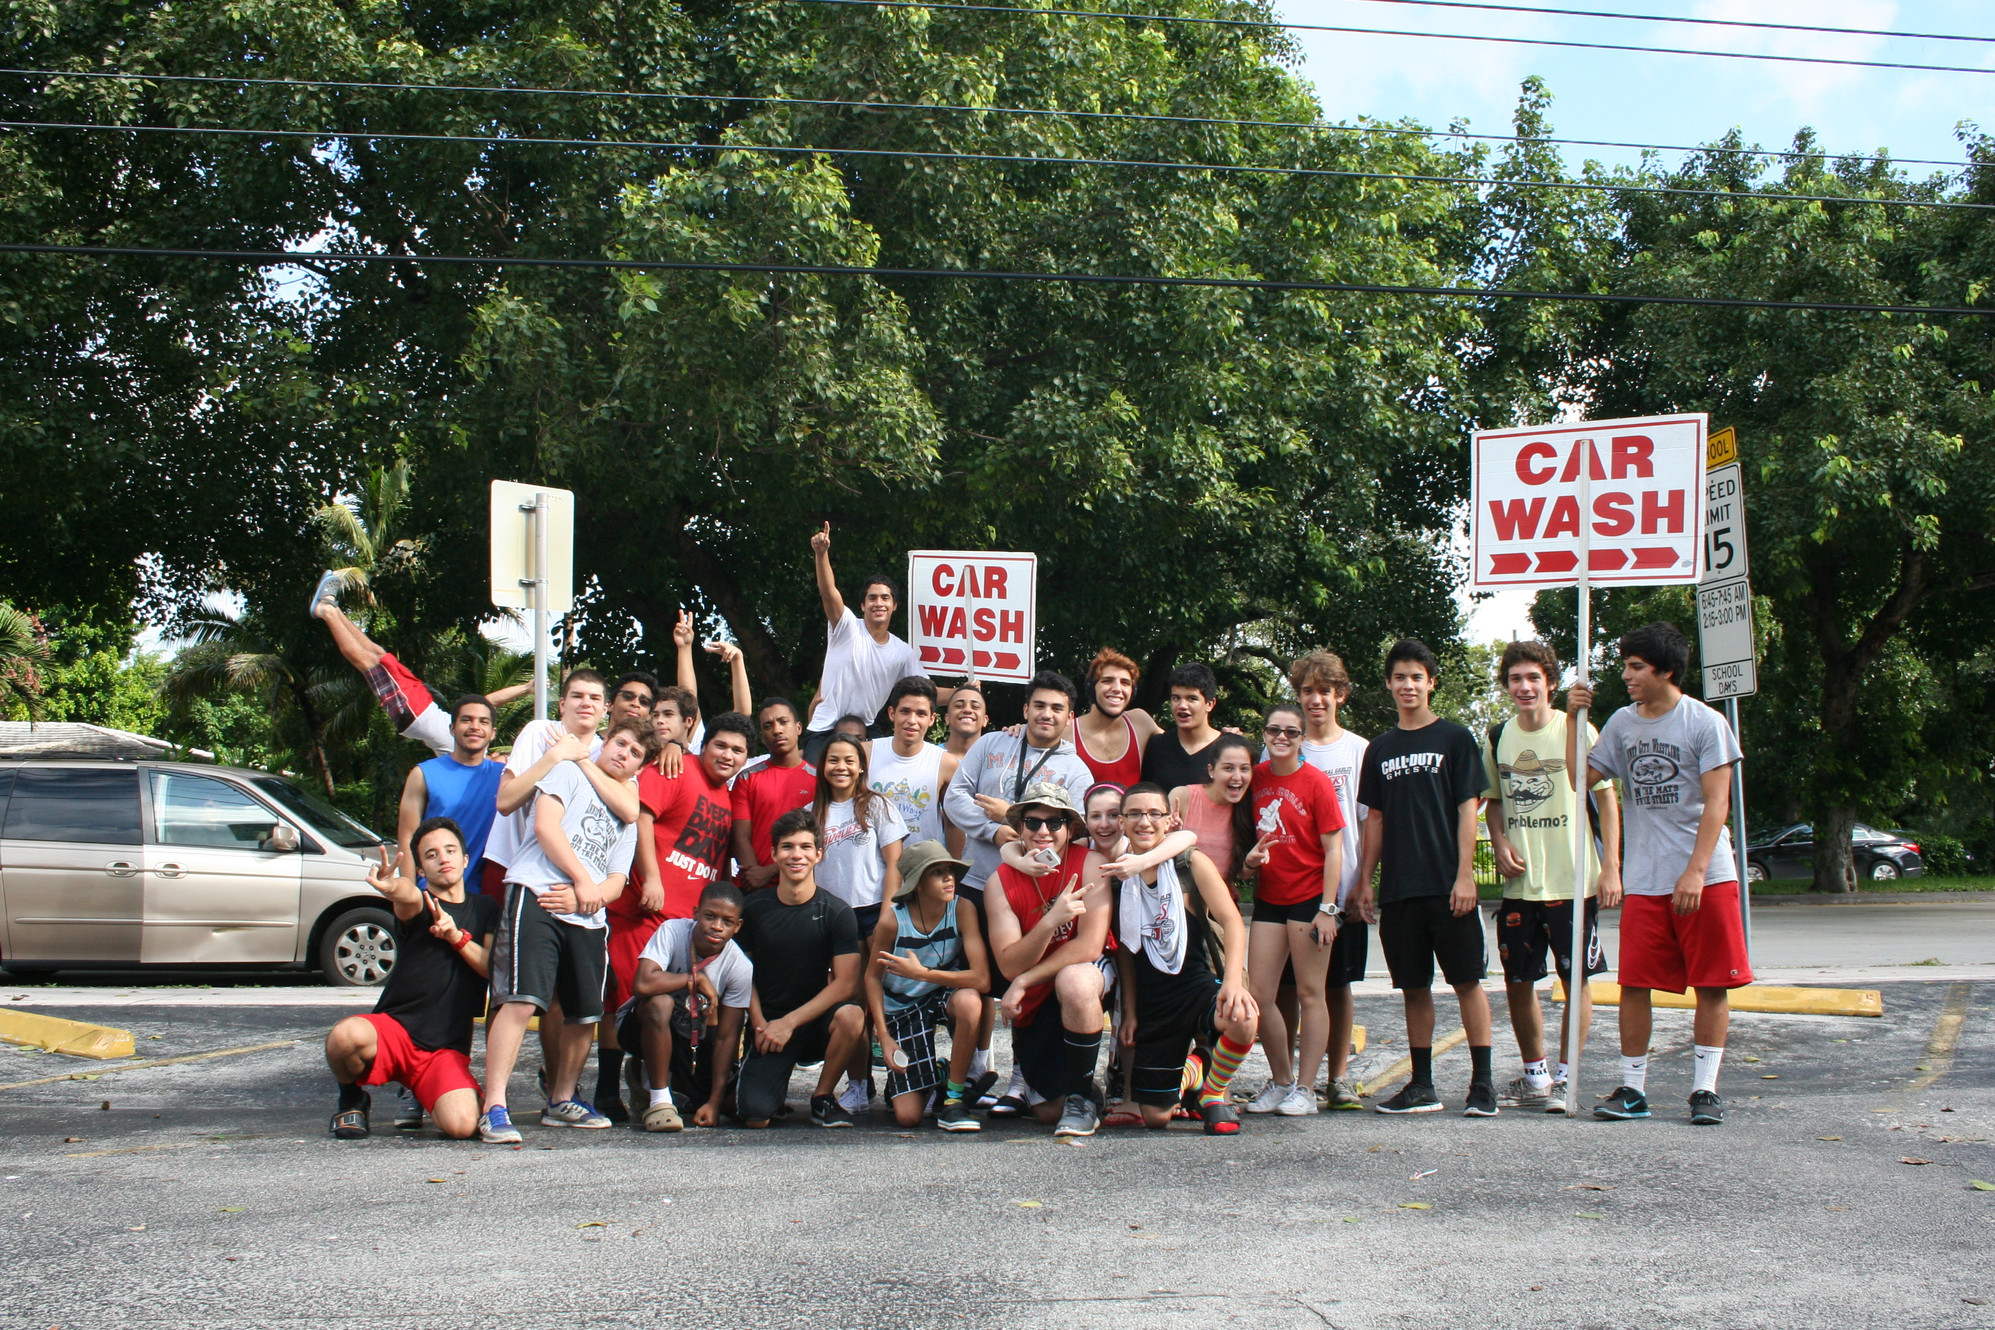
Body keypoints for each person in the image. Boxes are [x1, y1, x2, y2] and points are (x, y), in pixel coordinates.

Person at [1571, 621, 1747, 1127]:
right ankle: (1632, 1088)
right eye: (1626, 665)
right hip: (1646, 878)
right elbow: (1578, 780)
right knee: (1635, 983)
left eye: (1636, 666)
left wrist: (1694, 872)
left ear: (1666, 671)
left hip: (1704, 875)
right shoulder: (1623, 724)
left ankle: (1704, 1091)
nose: (1626, 675)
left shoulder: (1705, 723)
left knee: (1711, 984)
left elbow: (1717, 804)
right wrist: (1572, 720)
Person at [477, 716, 648, 1144]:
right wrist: (581, 881)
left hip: (586, 915)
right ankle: (493, 1105)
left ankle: (562, 1099)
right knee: (519, 1001)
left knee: (584, 1013)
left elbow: (618, 878)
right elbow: (545, 827)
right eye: (620, 743)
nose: (623, 753)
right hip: (536, 892)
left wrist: (587, 896)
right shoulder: (568, 770)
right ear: (606, 743)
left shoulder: (627, 814)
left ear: (639, 767)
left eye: (634, 752)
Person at [1354, 639, 1494, 1117]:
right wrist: (1365, 881)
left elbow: (1467, 810)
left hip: (1446, 885)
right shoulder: (1381, 749)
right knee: (1414, 987)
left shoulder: (1455, 739)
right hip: (1399, 888)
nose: (1408, 685)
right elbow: (1375, 819)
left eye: (1417, 676)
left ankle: (1483, 1085)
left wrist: (1465, 876)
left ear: (1430, 682)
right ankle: (1423, 1085)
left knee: (1467, 981)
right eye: (1400, 677)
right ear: (1389, 684)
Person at [1483, 640, 1622, 1113]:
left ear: (1551, 683)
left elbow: (1605, 797)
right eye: (1516, 679)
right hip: (1522, 885)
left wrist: (1611, 868)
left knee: (1575, 979)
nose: (1524, 687)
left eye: (1533, 678)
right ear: (1507, 686)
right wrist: (1498, 841)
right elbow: (1495, 802)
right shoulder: (1498, 735)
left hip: (1574, 881)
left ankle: (1567, 1076)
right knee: (1518, 981)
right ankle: (1535, 1074)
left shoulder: (1576, 729)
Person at [942, 672, 1095, 1102]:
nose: (1047, 714)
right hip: (976, 880)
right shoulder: (993, 744)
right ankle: (971, 1070)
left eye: (1057, 708)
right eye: (1040, 706)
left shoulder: (1076, 770)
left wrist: (1011, 815)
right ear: (1025, 709)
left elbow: (1078, 832)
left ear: (1069, 717)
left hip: (1036, 894)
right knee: (976, 984)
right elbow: (956, 797)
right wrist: (996, 832)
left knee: (1027, 985)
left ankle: (1023, 1076)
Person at [598, 712, 751, 1122]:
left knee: (684, 1012)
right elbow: (642, 817)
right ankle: (606, 1091)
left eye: (738, 750)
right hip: (646, 911)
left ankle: (656, 1082)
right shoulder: (676, 767)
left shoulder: (727, 795)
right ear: (703, 744)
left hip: (690, 922)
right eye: (720, 745)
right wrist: (650, 877)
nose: (728, 755)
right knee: (626, 1000)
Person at [326, 817, 498, 1140]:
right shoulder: (420, 902)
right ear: (421, 870)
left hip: (443, 1049)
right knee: (344, 1037)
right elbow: (407, 897)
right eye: (431, 855)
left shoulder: (486, 907)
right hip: (395, 1031)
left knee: (462, 1126)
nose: (443, 858)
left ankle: (422, 1091)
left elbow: (491, 967)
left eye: (450, 850)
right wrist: (394, 888)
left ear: (465, 859)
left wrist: (456, 937)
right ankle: (352, 1098)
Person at [1109, 783, 1259, 1135]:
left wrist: (1234, 984)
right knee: (1156, 1118)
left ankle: (1212, 1092)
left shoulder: (1189, 863)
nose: (1144, 822)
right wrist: (1129, 1011)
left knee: (1243, 1018)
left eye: (1154, 814)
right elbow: (1127, 955)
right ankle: (1196, 1068)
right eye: (1135, 814)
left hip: (1195, 984)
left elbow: (1233, 922)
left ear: (1168, 820)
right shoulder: (1119, 877)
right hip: (1153, 1001)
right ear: (1122, 821)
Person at [983, 783, 1113, 1137]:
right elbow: (1009, 965)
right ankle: (1080, 1091)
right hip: (1039, 993)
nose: (1043, 831)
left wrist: (1023, 981)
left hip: (1089, 977)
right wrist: (1051, 921)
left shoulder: (1091, 863)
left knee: (1074, 980)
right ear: (1021, 829)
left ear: (1070, 829)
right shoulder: (1000, 882)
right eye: (1033, 822)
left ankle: (1082, 1098)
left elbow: (1089, 946)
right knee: (1046, 1112)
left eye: (1055, 822)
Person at [1239, 706, 1346, 1118]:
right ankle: (1281, 1079)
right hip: (1270, 896)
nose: (1281, 737)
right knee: (1260, 995)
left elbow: (1334, 848)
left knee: (1309, 994)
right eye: (1273, 730)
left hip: (1309, 899)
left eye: (1291, 732)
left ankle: (1306, 1089)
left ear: (1302, 737)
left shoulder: (1316, 782)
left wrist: (1328, 908)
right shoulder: (1257, 777)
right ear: (1263, 733)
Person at [735, 807, 867, 1128]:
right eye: (788, 847)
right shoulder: (752, 910)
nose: (797, 855)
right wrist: (760, 1023)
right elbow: (742, 975)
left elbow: (846, 984)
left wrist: (790, 1022)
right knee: (755, 1117)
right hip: (769, 1026)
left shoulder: (837, 912)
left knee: (852, 1015)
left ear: (819, 854)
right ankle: (763, 1086)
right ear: (774, 854)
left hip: (814, 1023)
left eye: (806, 847)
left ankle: (822, 1097)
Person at [1282, 650, 1372, 1110]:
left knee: (1337, 986)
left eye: (1324, 691)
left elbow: (1369, 821)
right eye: (1307, 691)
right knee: (1291, 990)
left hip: (1342, 887)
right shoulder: (1287, 746)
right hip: (1293, 888)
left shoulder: (1358, 750)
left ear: (1340, 694)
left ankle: (1338, 1078)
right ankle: (1295, 1079)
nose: (1315, 700)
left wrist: (1363, 883)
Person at [308, 574, 528, 756]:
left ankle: (325, 612)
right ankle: (334, 609)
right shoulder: (479, 741)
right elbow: (488, 702)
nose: (503, 759)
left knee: (369, 665)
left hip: (416, 713)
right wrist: (526, 688)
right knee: (379, 655)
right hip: (421, 706)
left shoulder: (474, 761)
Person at [864, 840, 991, 1131]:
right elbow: (872, 977)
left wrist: (923, 974)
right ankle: (937, 1073)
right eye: (936, 872)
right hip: (903, 1006)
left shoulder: (962, 908)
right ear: (917, 885)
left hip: (941, 993)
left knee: (971, 1000)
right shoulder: (892, 921)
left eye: (950, 871)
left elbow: (981, 978)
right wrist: (883, 1037)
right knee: (908, 1117)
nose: (949, 878)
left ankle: (953, 1099)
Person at [619, 881, 753, 1131]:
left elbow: (727, 1038)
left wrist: (714, 1102)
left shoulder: (740, 967)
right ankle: (658, 1101)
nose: (716, 926)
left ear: (738, 926)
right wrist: (694, 979)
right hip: (642, 1027)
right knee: (660, 1002)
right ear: (695, 913)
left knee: (742, 1106)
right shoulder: (672, 930)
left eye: (727, 921)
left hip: (695, 1041)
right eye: (709, 916)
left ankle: (650, 1086)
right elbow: (643, 983)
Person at [804, 522, 934, 763]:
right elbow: (828, 592)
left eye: (885, 598)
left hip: (866, 728)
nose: (879, 603)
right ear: (862, 605)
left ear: (894, 606)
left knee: (879, 779)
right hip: (824, 727)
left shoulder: (903, 653)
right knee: (812, 784)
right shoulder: (847, 627)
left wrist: (963, 692)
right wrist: (821, 554)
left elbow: (928, 690)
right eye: (872, 598)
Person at [394, 695, 505, 889]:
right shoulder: (423, 774)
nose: (475, 727)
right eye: (466, 720)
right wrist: (409, 892)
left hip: (482, 897)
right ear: (452, 728)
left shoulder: (503, 777)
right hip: (431, 892)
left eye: (483, 722)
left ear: (492, 732)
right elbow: (407, 836)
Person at [731, 697, 818, 890]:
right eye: (768, 726)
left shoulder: (819, 781)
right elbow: (740, 836)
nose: (777, 730)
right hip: (753, 887)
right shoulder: (747, 778)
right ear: (762, 736)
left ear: (798, 728)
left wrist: (769, 871)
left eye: (783, 722)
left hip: (803, 885)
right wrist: (754, 874)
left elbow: (821, 838)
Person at [869, 676, 960, 846]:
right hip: (872, 867)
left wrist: (954, 869)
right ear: (891, 713)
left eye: (921, 714)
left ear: (932, 719)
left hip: (925, 868)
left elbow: (953, 825)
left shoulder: (946, 764)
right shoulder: (866, 754)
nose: (912, 721)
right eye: (905, 711)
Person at [1168, 733, 1257, 889]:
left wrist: (1251, 864)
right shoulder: (1182, 797)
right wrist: (1170, 837)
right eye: (1228, 768)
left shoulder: (1247, 809)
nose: (1237, 776)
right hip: (1179, 903)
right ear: (1211, 770)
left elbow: (1242, 874)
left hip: (1220, 903)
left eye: (1244, 769)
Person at [1074, 649, 1163, 788]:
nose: (1117, 688)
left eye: (1125, 683)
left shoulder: (1140, 722)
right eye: (1107, 681)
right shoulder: (1068, 732)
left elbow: (1180, 744)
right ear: (1091, 688)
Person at [1141, 663, 1226, 791]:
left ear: (1209, 704)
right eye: (1176, 698)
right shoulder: (1156, 746)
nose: (1182, 705)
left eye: (1191, 699)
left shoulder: (1228, 748)